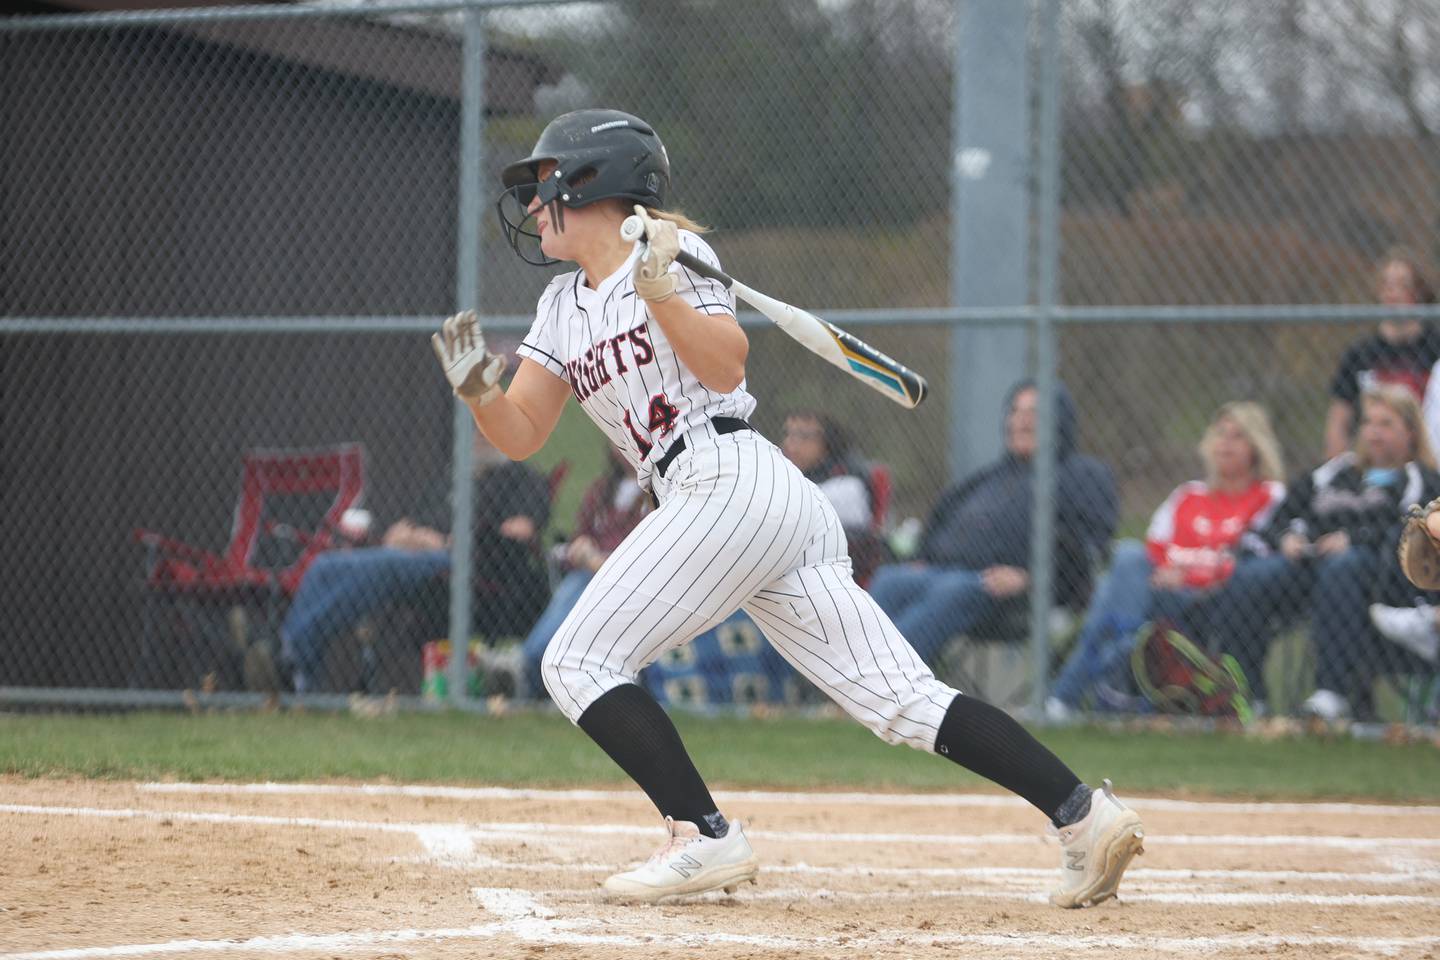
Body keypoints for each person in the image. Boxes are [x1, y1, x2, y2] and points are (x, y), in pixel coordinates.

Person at [430, 109, 1143, 907]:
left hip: (727, 477)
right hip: (735, 501)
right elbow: (523, 432)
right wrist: (480, 391)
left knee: (576, 660)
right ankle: (1084, 817)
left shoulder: (672, 251)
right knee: (900, 699)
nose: (532, 206)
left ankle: (702, 835)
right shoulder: (562, 304)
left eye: (544, 184)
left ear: (592, 182)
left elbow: (725, 365)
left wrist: (662, 291)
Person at [1206, 385, 1440, 721]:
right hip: (1309, 564)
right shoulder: (1335, 472)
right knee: (1250, 576)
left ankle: (1332, 693)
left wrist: (1354, 538)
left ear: (1411, 432)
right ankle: (1247, 692)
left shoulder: (1420, 478)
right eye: (1368, 422)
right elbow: (1282, 515)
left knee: (1343, 566)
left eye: (1386, 424)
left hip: (1374, 576)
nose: (1373, 432)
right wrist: (1289, 537)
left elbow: (1412, 533)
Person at [1045, 403, 1285, 720]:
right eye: (1220, 434)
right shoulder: (1188, 494)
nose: (1225, 443)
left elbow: (1257, 562)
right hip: (1165, 595)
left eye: (1238, 436)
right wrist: (1167, 571)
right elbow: (1154, 547)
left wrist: (1188, 575)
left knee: (1113, 594)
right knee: (1128, 556)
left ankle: (1068, 696)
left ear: (1256, 446)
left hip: (1217, 601)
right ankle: (1117, 661)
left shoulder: (1271, 496)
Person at [865, 380, 1117, 666]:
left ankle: (880, 676)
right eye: (1015, 411)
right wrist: (921, 558)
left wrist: (1030, 578)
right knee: (891, 580)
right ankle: (842, 672)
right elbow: (940, 519)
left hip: (1011, 593)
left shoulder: (1080, 475)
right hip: (943, 571)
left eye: (1034, 412)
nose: (1021, 421)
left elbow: (1088, 548)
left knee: (952, 591)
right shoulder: (990, 476)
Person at [281, 429, 551, 693]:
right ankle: (291, 653)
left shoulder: (522, 479)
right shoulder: (451, 478)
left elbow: (518, 533)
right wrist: (408, 536)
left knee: (379, 567)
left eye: (488, 427)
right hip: (410, 556)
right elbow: (405, 527)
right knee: (325, 565)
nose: (479, 434)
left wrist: (441, 542)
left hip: (464, 567)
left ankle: (294, 659)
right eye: (474, 426)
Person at [522, 444, 649, 699]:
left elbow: (647, 555)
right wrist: (582, 550)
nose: (622, 448)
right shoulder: (602, 490)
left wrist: (598, 560)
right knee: (538, 650)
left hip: (628, 584)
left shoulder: (653, 496)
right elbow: (581, 535)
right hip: (587, 577)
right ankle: (542, 694)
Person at [1325, 248, 1440, 459]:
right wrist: (1339, 467)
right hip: (1374, 464)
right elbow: (1339, 420)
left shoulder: (1435, 347)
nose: (1392, 294)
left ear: (1420, 292)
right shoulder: (1360, 353)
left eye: (1402, 285)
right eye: (1386, 285)